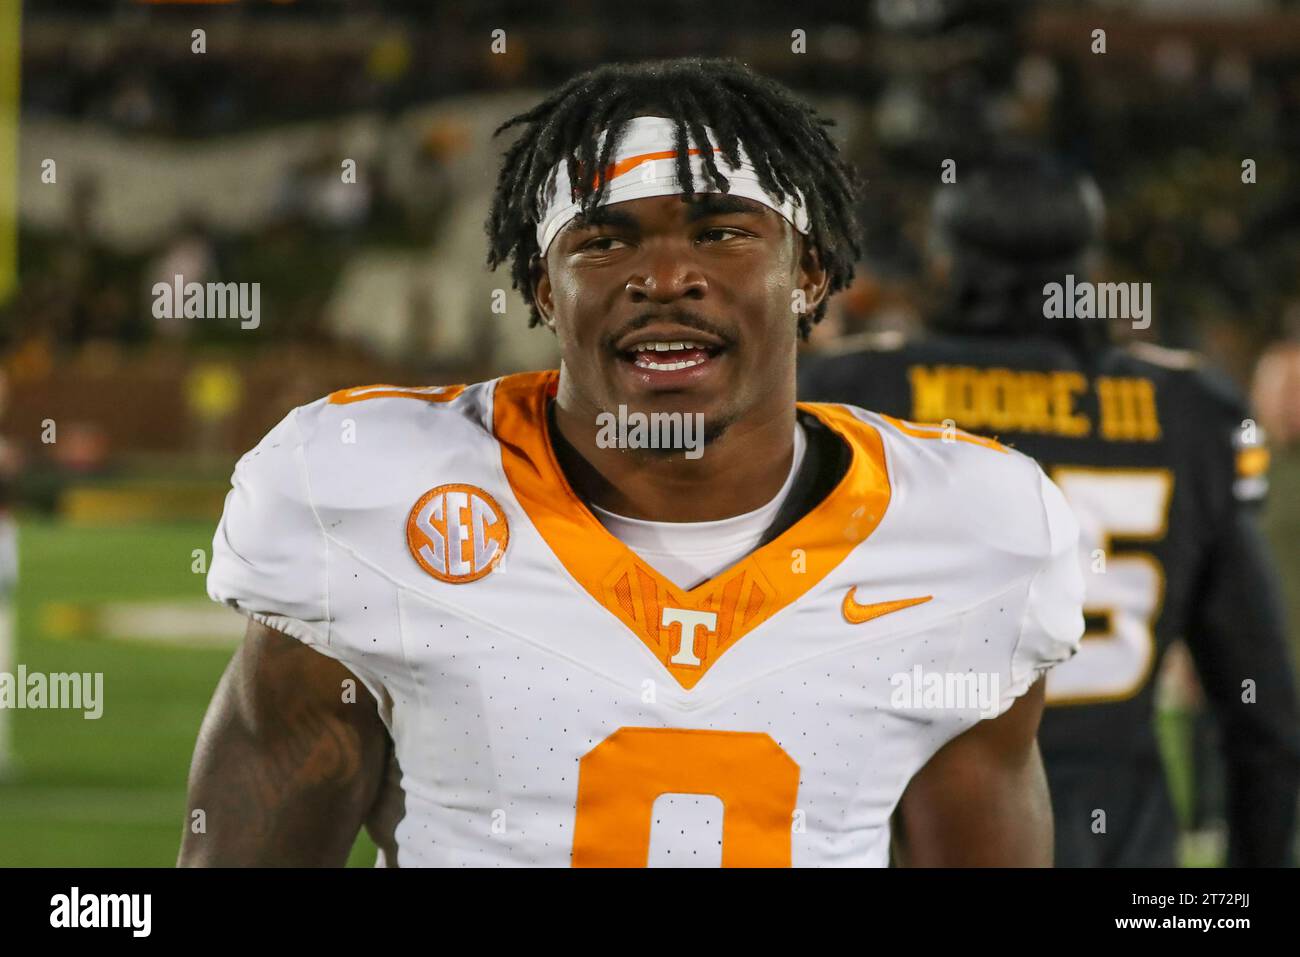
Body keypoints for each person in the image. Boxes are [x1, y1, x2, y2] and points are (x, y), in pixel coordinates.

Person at [180, 59, 1083, 867]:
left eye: (723, 231)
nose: (664, 276)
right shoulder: (367, 500)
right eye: (605, 241)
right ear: (543, 286)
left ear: (809, 272)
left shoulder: (969, 533)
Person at [799, 150, 1300, 866]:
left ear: (946, 260)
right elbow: (1264, 717)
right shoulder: (1189, 409)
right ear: (1088, 268)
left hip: (929, 832)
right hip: (1124, 844)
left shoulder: (863, 391)